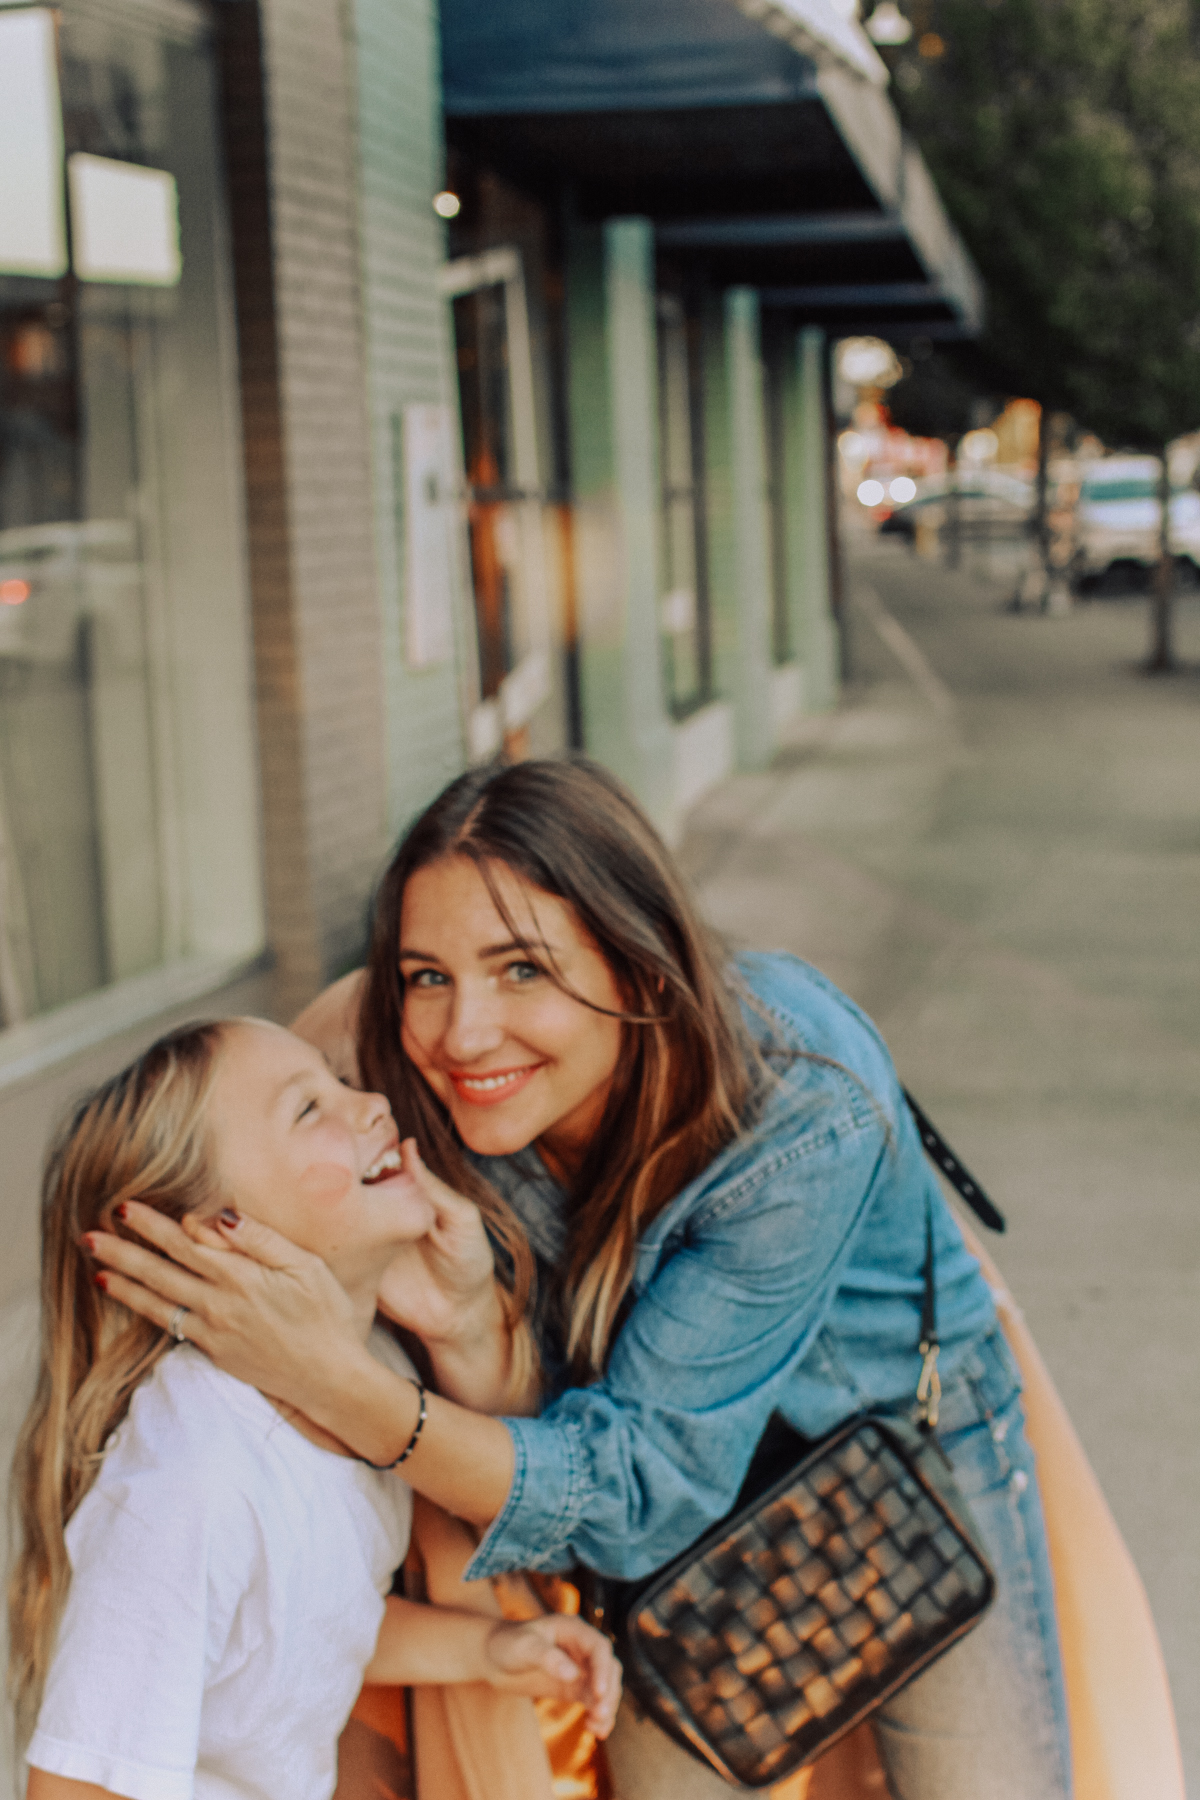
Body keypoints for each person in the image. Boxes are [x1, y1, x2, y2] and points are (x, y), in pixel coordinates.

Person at [89, 759, 1072, 1800]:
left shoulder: (803, 1106)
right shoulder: (379, 1053)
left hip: (893, 1440)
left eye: (523, 970)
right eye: (427, 974)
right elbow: (220, 1156)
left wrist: (341, 1382)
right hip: (636, 1459)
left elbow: (638, 1495)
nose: (463, 1035)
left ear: (640, 968)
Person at [11, 1016, 619, 1800]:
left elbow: (300, 1631)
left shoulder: (373, 1382)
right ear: (211, 1239)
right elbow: (72, 1788)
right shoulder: (190, 1483)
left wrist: (489, 1650)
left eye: (339, 1084)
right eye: (307, 1109)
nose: (369, 1104)